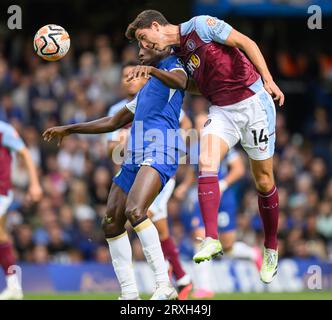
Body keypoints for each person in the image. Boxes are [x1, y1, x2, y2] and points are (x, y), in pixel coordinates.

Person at [125, 10, 284, 283]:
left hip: (254, 101)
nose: (144, 46)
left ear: (155, 26)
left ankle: (271, 247)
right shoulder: (176, 56)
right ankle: (211, 238)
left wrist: (268, 79)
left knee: (264, 180)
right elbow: (197, 85)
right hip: (222, 110)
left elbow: (247, 43)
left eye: (143, 38)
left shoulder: (201, 26)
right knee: (206, 162)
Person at [43, 46, 188, 300]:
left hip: (161, 149)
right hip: (134, 158)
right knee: (110, 221)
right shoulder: (140, 98)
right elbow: (111, 122)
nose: (140, 51)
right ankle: (129, 294)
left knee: (136, 210)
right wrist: (70, 128)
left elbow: (182, 80)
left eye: (145, 45)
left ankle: (164, 285)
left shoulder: (170, 72)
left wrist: (153, 69)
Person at [105, 59, 192, 299]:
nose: (129, 79)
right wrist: (120, 150)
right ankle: (180, 277)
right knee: (145, 222)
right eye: (125, 76)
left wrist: (175, 144)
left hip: (158, 161)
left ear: (145, 77)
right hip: (133, 165)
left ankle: (166, 281)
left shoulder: (160, 94)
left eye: (133, 74)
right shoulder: (118, 110)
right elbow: (111, 147)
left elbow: (186, 124)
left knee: (142, 213)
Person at [176, 113, 262, 298]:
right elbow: (193, 173)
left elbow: (239, 169)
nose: (200, 128)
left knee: (228, 246)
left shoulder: (221, 143)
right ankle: (205, 287)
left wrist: (223, 184)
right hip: (203, 197)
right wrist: (184, 187)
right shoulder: (194, 149)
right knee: (200, 237)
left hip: (224, 198)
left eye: (203, 124)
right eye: (198, 125)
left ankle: (252, 254)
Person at [0, 120, 42, 300]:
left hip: (1, 190)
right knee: (1, 234)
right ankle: (14, 285)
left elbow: (24, 153)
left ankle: (13, 285)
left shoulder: (4, 129)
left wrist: (34, 184)